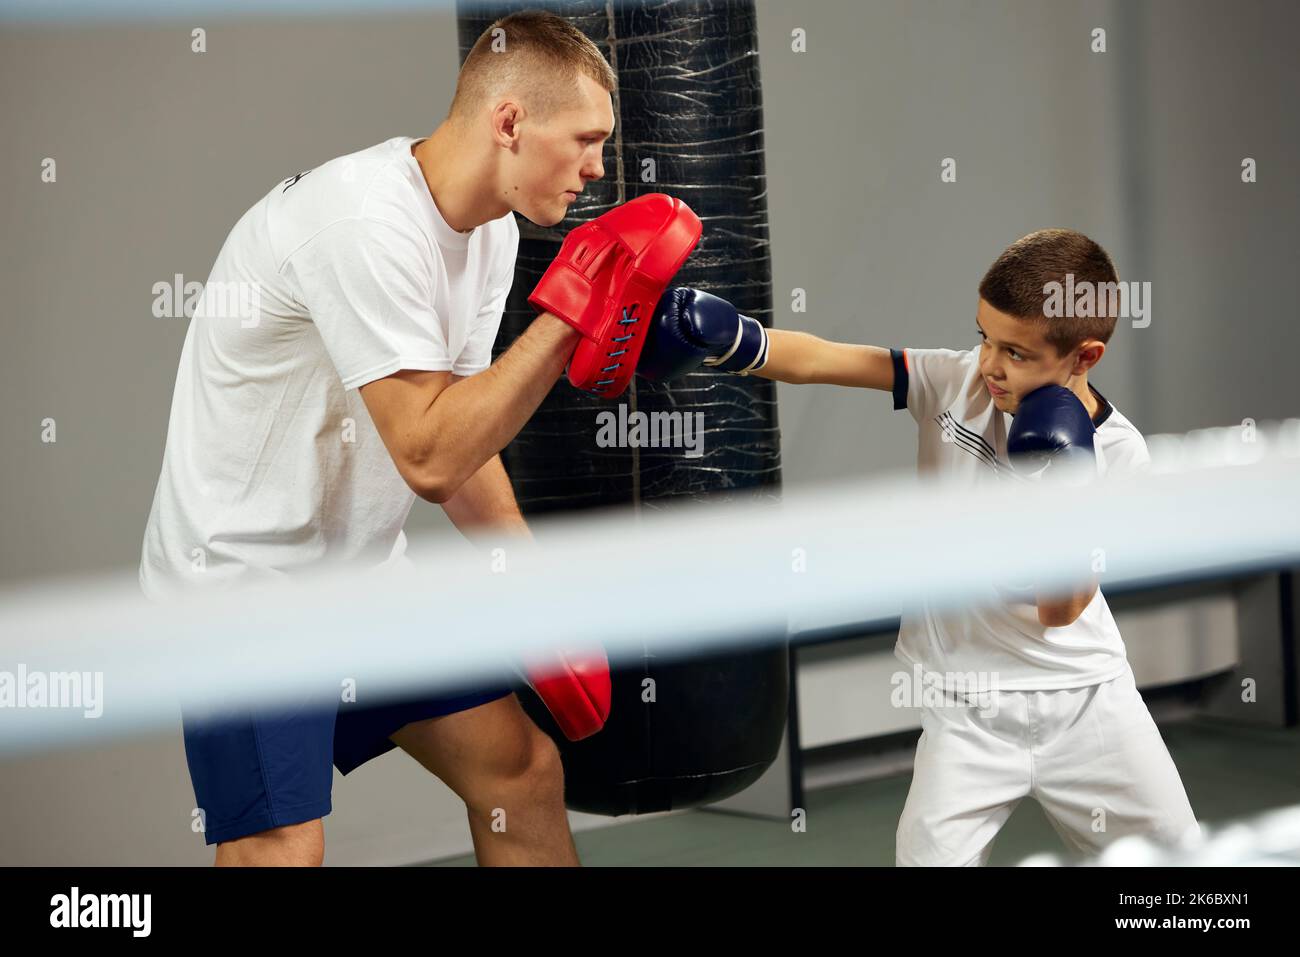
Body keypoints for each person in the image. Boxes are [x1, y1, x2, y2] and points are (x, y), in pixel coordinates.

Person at [141, 10, 640, 867]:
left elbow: (464, 430)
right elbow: (428, 455)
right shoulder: (363, 222)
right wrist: (568, 321)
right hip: (243, 589)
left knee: (519, 773)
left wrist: (531, 582)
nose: (599, 168)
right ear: (511, 121)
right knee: (280, 842)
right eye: (586, 140)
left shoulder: (489, 233)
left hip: (358, 577)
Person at [639, 228, 1202, 865]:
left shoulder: (1119, 455)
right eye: (984, 336)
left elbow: (1059, 610)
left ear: (1085, 356)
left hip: (1087, 707)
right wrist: (738, 340)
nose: (991, 363)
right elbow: (826, 359)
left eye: (1016, 352)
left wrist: (1065, 487)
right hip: (965, 713)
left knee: (1186, 884)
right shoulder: (956, 384)